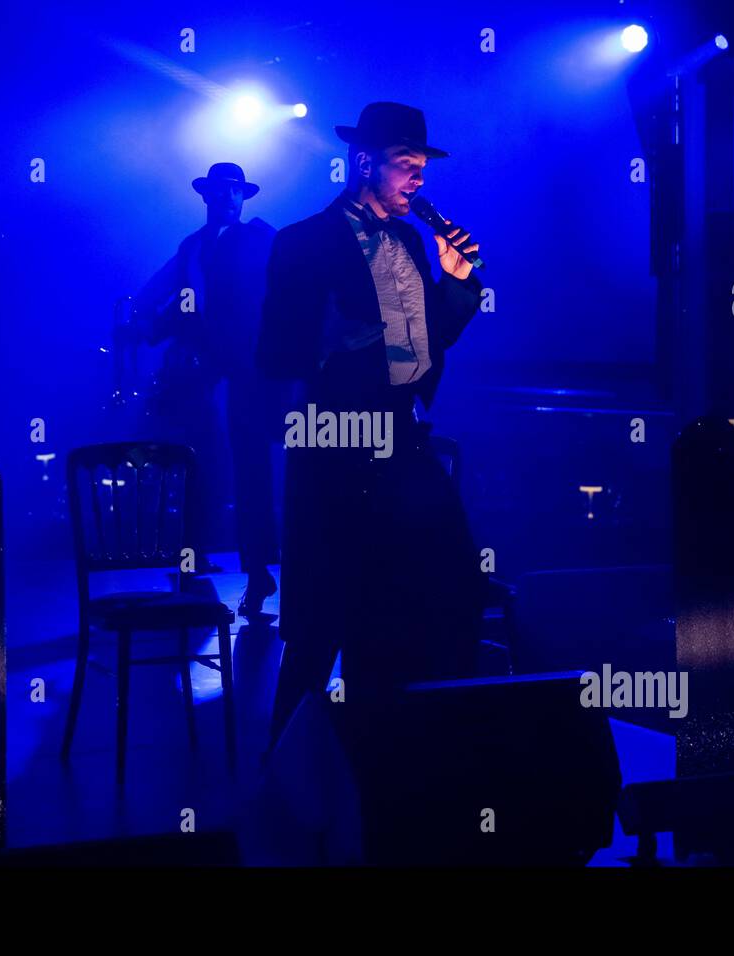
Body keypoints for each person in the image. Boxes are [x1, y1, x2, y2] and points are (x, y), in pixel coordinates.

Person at [258, 102, 488, 746]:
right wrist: (333, 343)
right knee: (325, 614)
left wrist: (457, 283)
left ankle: (405, 755)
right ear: (364, 162)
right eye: (404, 166)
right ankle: (284, 778)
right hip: (336, 443)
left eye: (421, 167)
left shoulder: (413, 241)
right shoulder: (302, 243)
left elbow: (427, 343)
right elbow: (274, 354)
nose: (417, 179)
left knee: (433, 593)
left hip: (400, 439)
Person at [132, 163, 279, 604]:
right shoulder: (191, 247)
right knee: (198, 462)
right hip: (205, 372)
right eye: (221, 191)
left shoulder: (260, 238)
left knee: (250, 466)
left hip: (249, 369)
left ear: (243, 196)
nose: (229, 198)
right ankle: (193, 557)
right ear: (206, 195)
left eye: (236, 191)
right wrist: (149, 327)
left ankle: (256, 571)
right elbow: (171, 298)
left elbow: (280, 292)